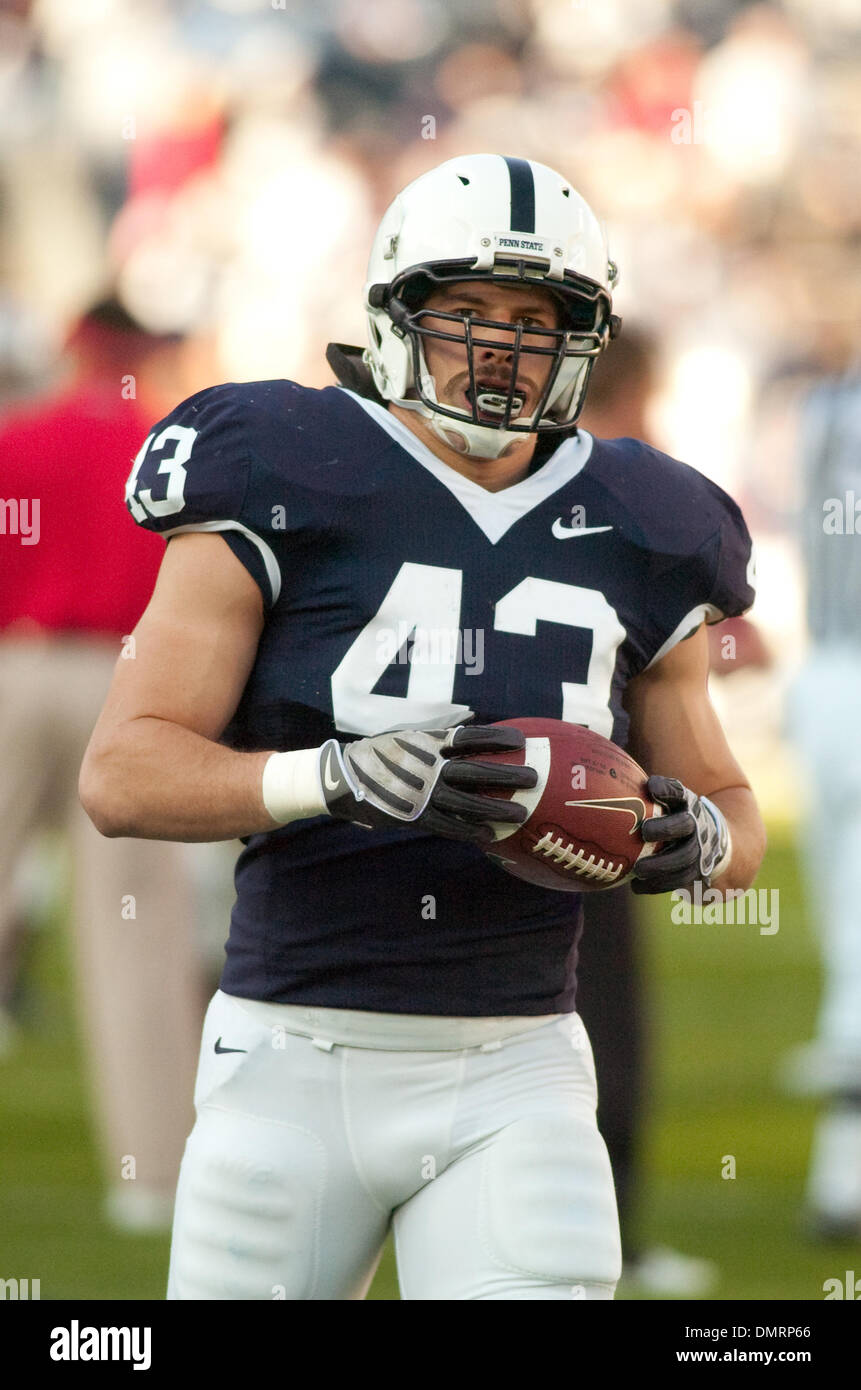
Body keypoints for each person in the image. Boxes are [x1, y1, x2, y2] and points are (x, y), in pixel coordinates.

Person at [80, 154, 766, 1300]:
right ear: (401, 313)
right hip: (291, 1054)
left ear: (581, 338)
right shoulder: (278, 461)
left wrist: (694, 838)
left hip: (521, 1065)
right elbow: (122, 773)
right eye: (468, 311)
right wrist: (330, 780)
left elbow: (733, 813)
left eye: (533, 319)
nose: (499, 345)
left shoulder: (654, 522)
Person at [0, 297, 205, 1230]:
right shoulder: (168, 449)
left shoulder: (21, 436)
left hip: (15, 668)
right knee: (137, 936)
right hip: (119, 680)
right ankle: (150, 1178)